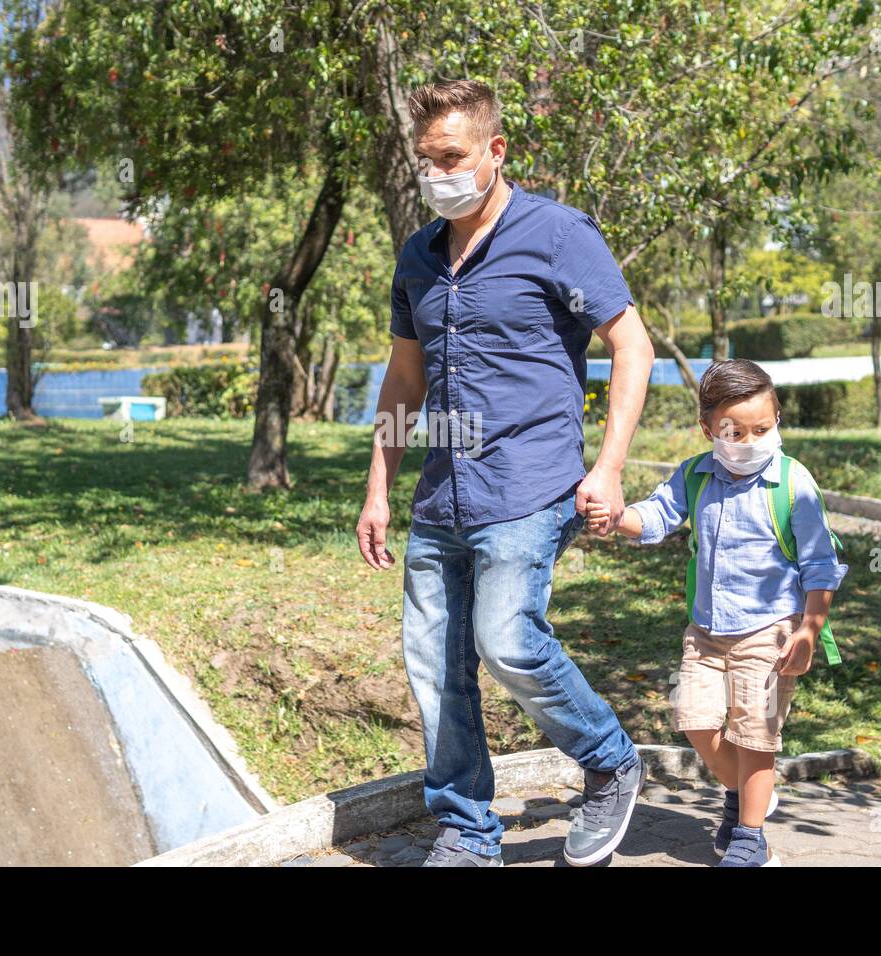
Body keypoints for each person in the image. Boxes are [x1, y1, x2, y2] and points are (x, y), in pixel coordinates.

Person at [355, 79, 656, 867]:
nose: (436, 174)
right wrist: (379, 489)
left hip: (528, 483)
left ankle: (609, 759)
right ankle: (466, 828)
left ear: (495, 152)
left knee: (507, 642)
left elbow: (635, 347)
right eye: (425, 161)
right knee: (434, 665)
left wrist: (611, 468)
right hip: (441, 497)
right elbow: (404, 382)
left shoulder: (557, 234)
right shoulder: (418, 255)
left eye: (451, 158)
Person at [587, 359, 848, 867]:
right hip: (705, 633)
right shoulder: (694, 475)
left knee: (756, 734)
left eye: (763, 429)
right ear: (707, 429)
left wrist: (809, 631)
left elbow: (821, 564)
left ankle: (750, 836)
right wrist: (615, 517)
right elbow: (656, 517)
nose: (749, 440)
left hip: (770, 633)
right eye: (734, 431)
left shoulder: (794, 482)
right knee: (695, 723)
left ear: (777, 422)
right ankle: (748, 793)